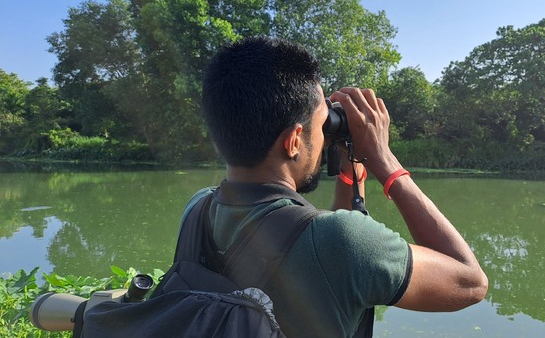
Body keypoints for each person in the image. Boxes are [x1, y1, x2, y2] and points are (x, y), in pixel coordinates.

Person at [194, 36, 487, 337]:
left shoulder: (198, 210)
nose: (324, 136)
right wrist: (384, 159)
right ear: (294, 141)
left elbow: (328, 256)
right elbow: (470, 282)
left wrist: (352, 167)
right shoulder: (340, 243)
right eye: (323, 124)